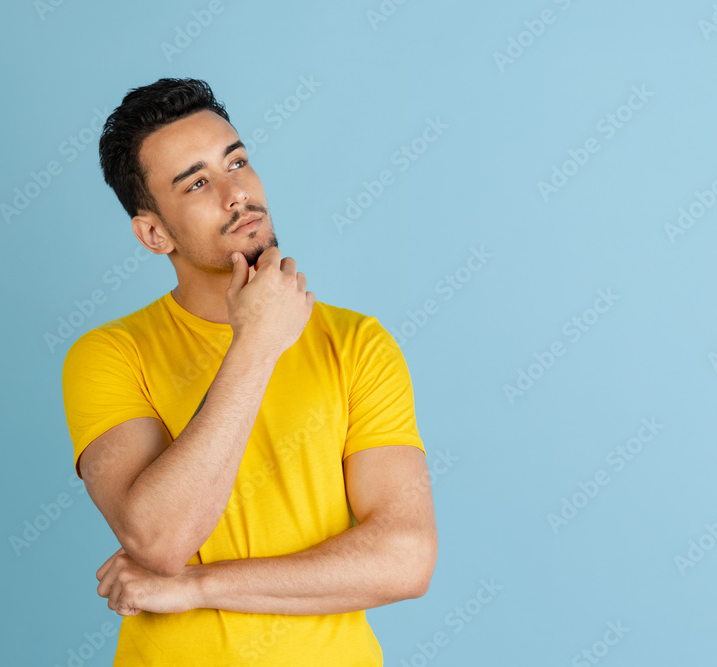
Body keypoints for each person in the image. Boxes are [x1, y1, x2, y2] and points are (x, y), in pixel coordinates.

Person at [61, 77, 437, 666]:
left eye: (236, 161)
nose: (235, 192)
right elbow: (159, 541)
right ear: (153, 233)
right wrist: (256, 345)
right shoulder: (109, 354)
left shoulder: (358, 343)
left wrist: (198, 587)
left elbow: (406, 558)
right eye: (197, 182)